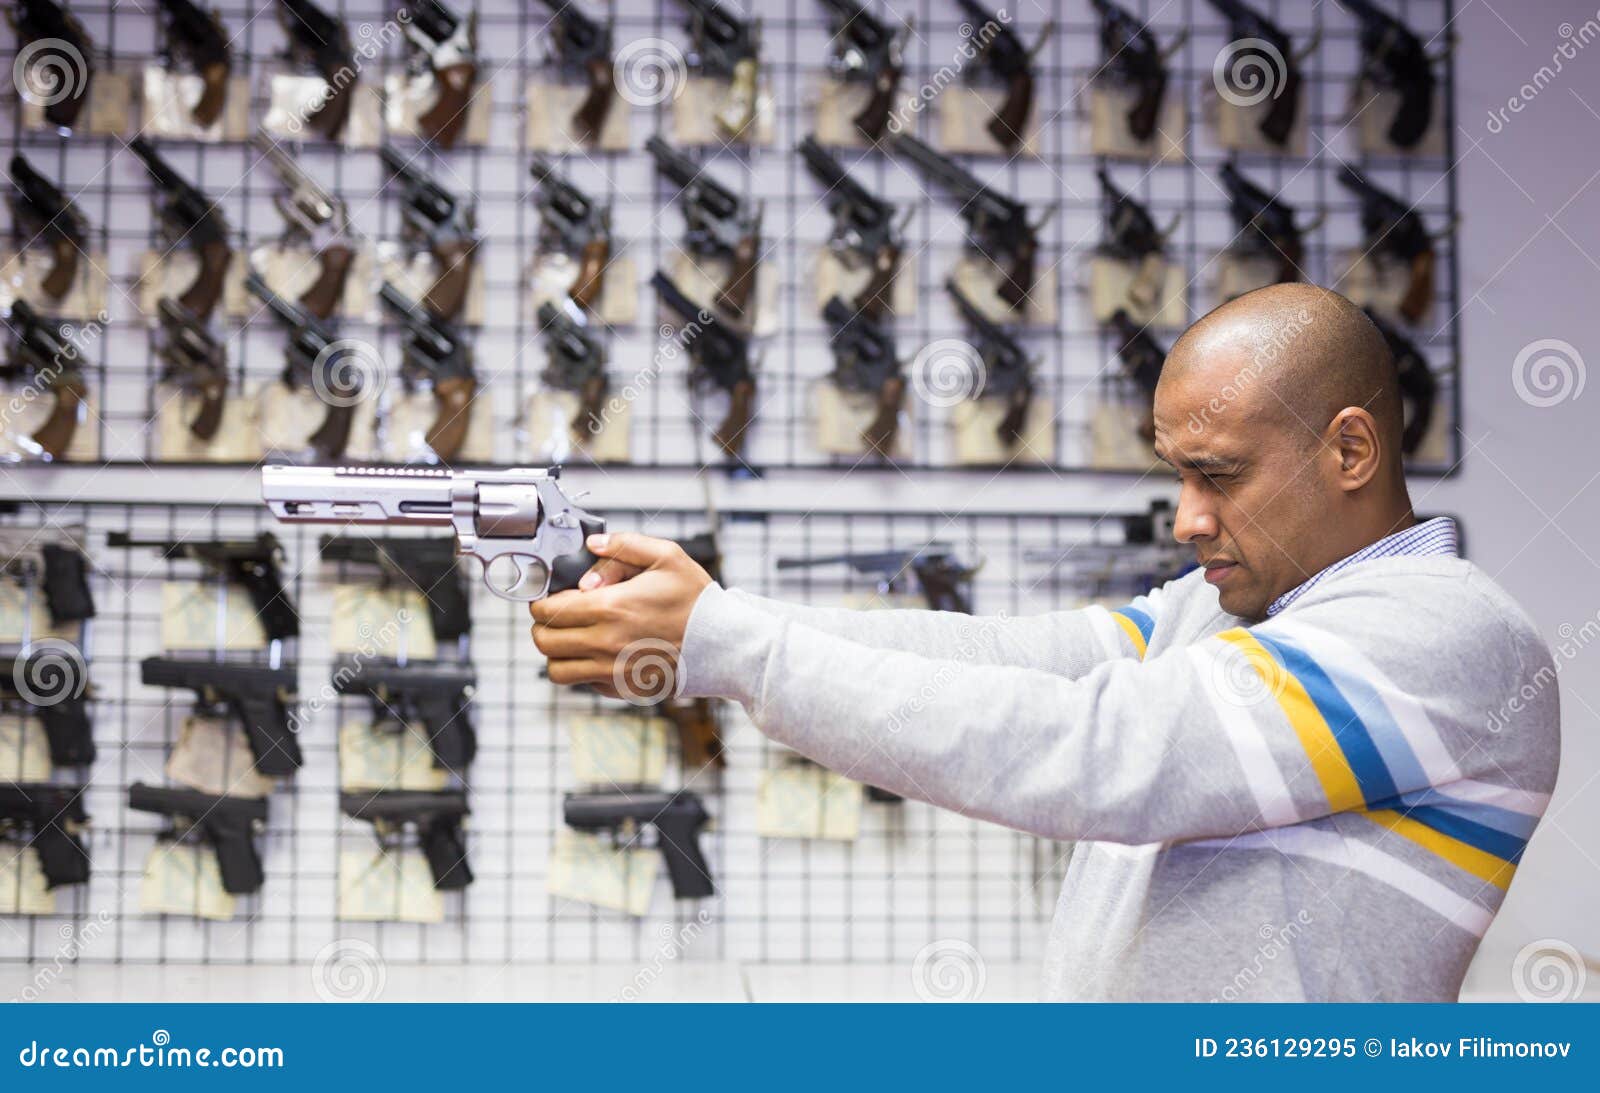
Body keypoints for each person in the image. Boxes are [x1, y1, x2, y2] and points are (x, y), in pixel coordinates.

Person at [529, 283, 1560, 1002]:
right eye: (1177, 476)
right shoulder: (1231, 612)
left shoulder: (1444, 635)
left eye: (1220, 475)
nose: (1185, 520)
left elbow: (1098, 756)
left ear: (1348, 448)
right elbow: (1012, 662)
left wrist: (730, 646)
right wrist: (713, 613)